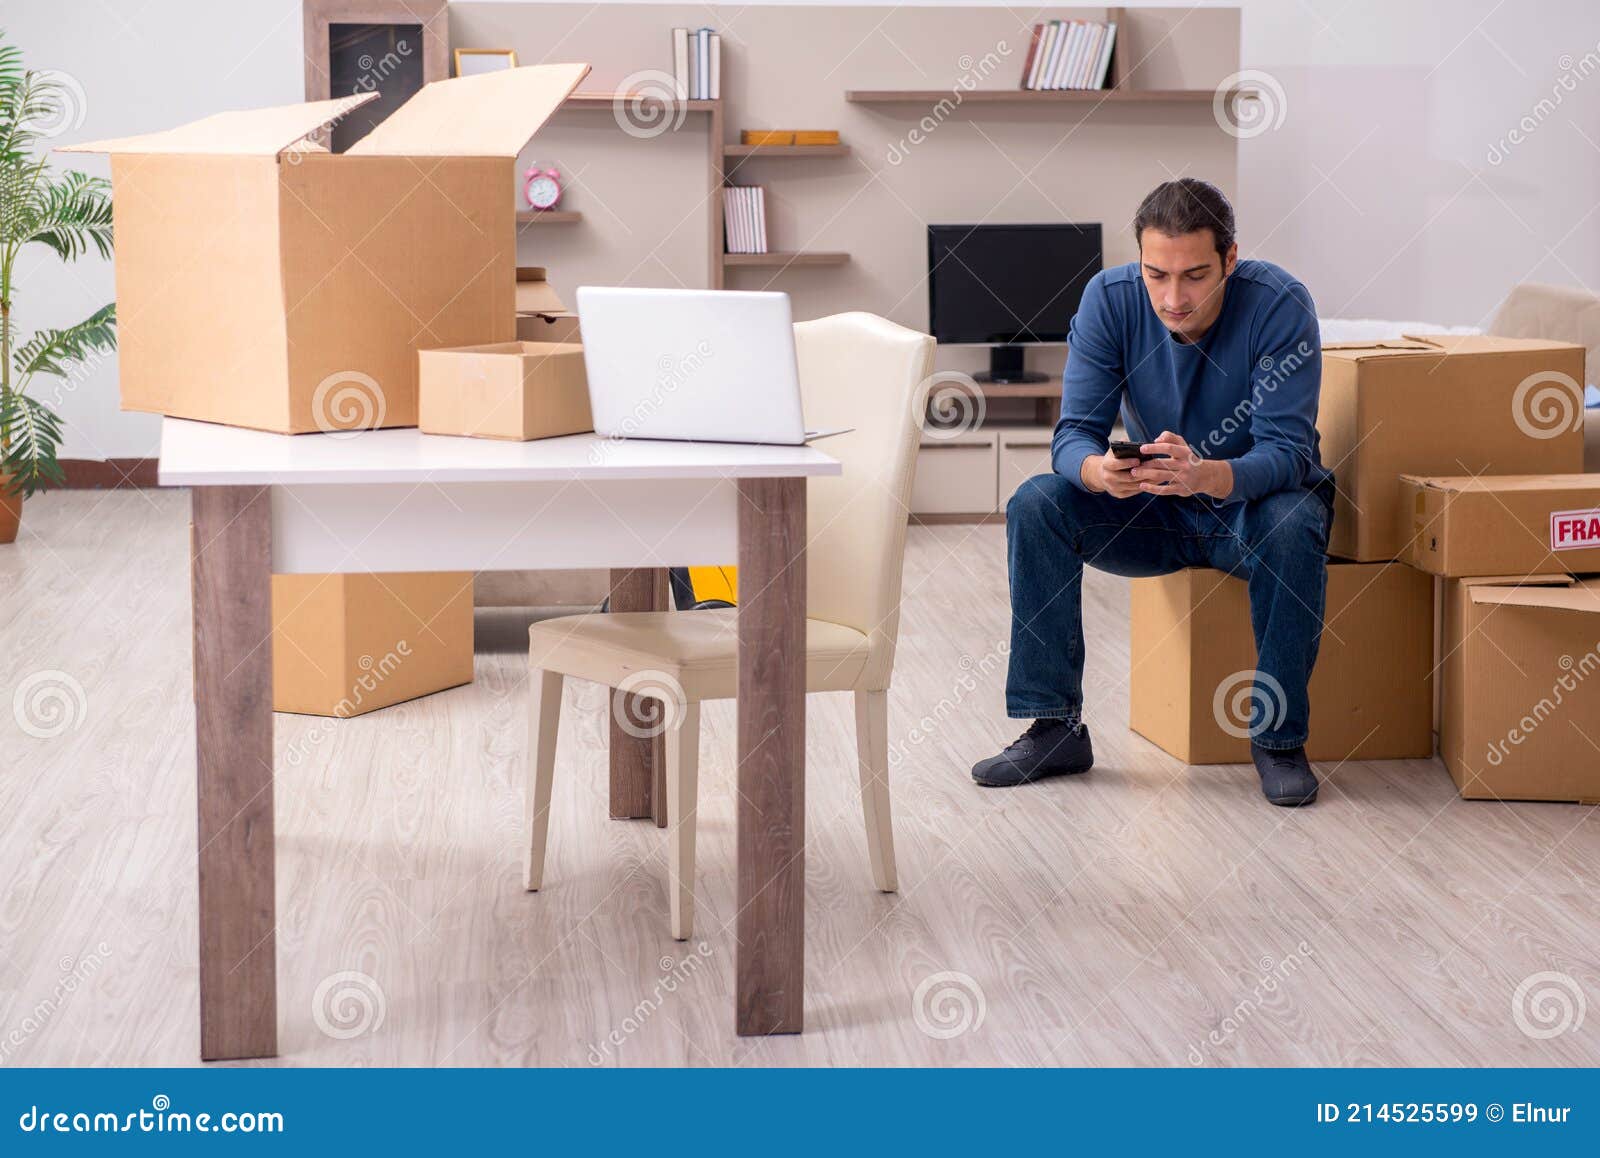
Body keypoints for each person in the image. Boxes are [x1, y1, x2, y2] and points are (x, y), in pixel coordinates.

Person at [971, 178, 1334, 807]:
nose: (1173, 297)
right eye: (1156, 275)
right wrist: (1096, 472)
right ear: (1139, 261)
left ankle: (1278, 741)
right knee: (1036, 503)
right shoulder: (1109, 299)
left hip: (1246, 513)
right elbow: (1073, 437)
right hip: (1153, 511)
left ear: (1230, 258)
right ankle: (1056, 727)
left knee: (1295, 519)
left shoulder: (1279, 304)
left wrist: (1207, 474)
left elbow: (1289, 454)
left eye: (1194, 276)